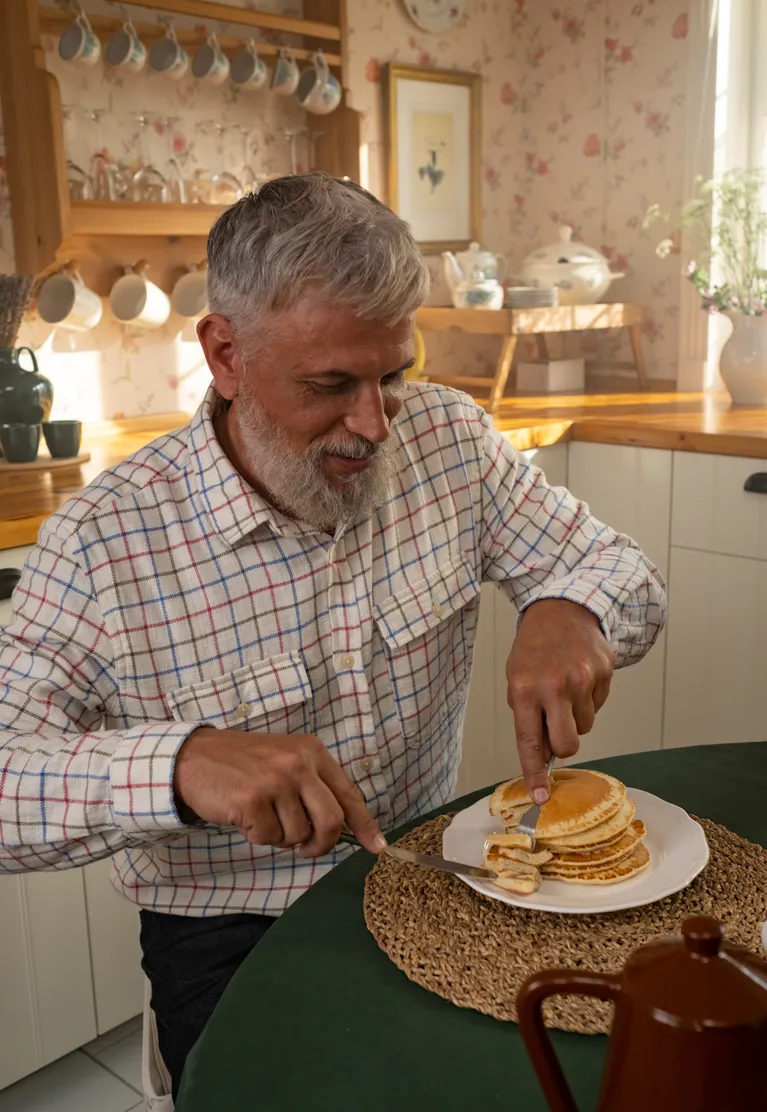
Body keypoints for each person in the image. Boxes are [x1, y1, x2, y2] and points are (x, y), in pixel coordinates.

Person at [0, 174, 666, 1098]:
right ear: (225, 355)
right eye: (330, 385)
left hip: (439, 876)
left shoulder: (449, 443)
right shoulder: (104, 541)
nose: (374, 423)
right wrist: (181, 765)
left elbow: (618, 569)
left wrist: (570, 608)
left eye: (393, 374)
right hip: (233, 929)